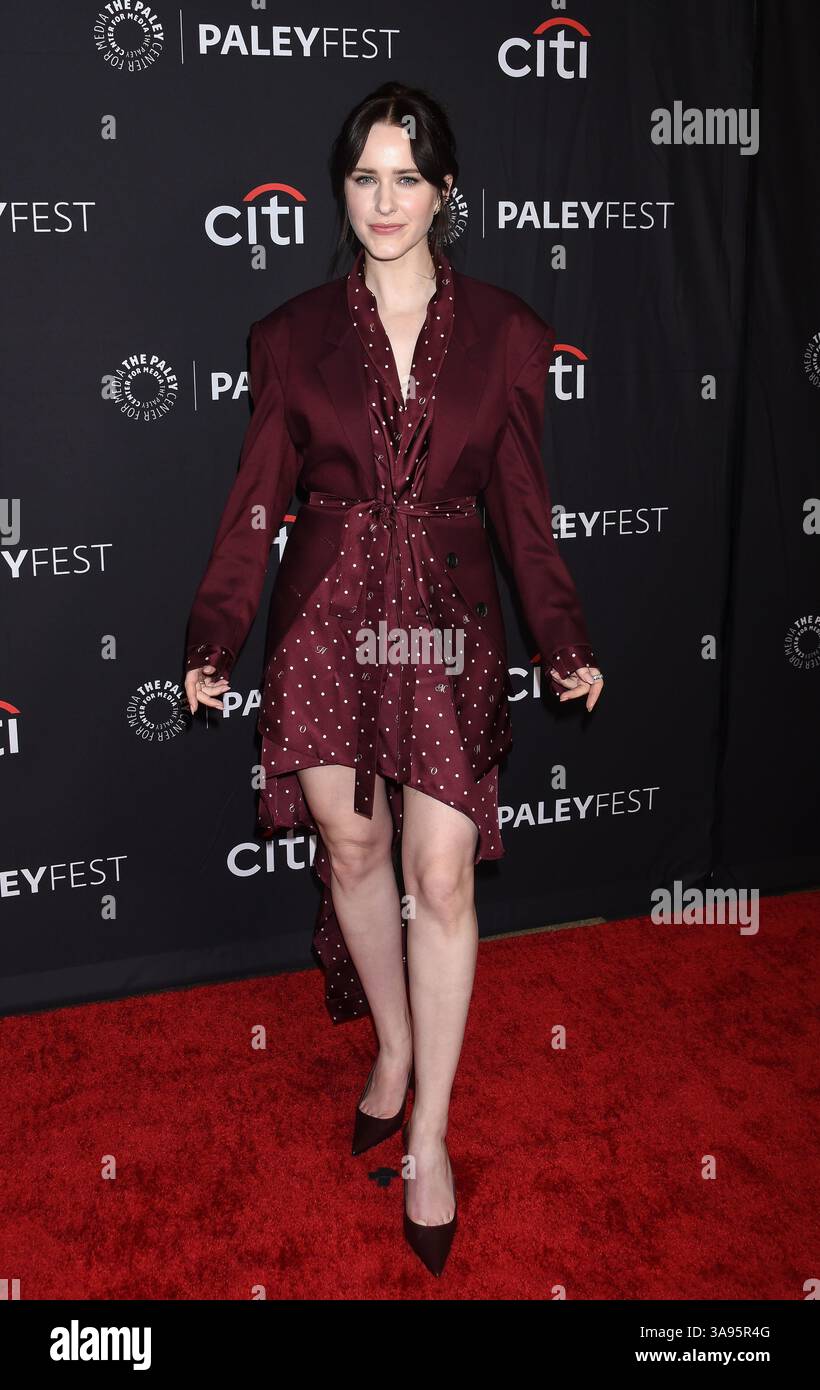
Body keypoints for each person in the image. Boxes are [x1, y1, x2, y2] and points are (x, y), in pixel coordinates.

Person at [183, 81, 604, 1277]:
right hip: (326, 616)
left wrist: (561, 635)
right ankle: (393, 1046)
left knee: (442, 870)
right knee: (351, 847)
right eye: (364, 177)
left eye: (406, 177)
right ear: (342, 189)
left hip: (447, 622)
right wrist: (215, 634)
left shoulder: (511, 334)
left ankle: (427, 1132)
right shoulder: (288, 333)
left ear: (445, 191)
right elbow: (257, 498)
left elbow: (523, 512)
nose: (384, 200)